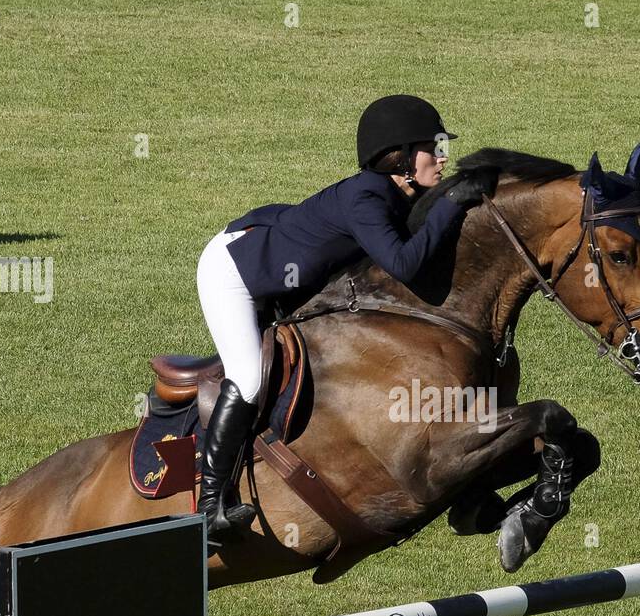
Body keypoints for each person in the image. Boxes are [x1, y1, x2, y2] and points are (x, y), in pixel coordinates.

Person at [195, 94, 499, 539]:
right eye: (432, 148)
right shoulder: (365, 199)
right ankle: (210, 507)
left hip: (283, 265)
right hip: (234, 271)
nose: (442, 156)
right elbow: (405, 264)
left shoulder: (399, 192)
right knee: (249, 377)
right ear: (399, 157)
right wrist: (451, 203)